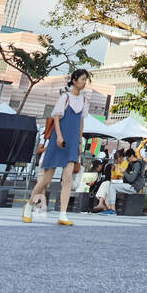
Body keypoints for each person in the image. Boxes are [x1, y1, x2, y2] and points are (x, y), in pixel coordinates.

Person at [23, 68, 91, 226]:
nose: (84, 82)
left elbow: (81, 122)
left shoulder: (84, 100)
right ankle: (28, 206)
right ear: (74, 81)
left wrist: (80, 142)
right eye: (82, 79)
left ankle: (63, 214)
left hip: (73, 142)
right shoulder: (65, 97)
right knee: (46, 180)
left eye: (85, 80)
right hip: (58, 140)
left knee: (67, 178)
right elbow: (57, 118)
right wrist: (59, 136)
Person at [93, 147, 146, 213]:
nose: (127, 160)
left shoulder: (137, 164)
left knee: (112, 187)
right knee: (109, 186)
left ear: (132, 156)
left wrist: (123, 172)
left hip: (134, 187)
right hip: (129, 185)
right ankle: (107, 207)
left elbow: (131, 179)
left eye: (127, 158)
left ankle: (112, 209)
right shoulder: (131, 164)